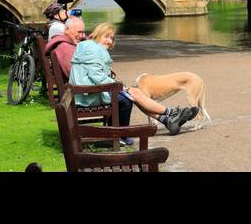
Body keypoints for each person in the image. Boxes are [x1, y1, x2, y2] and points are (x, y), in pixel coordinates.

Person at [69, 23, 197, 140]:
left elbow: (95, 75)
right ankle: (169, 115)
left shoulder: (90, 47)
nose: (109, 41)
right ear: (97, 35)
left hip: (88, 92)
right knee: (130, 96)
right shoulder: (93, 49)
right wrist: (119, 86)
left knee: (132, 93)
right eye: (106, 37)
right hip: (88, 95)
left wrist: (117, 84)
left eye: (111, 38)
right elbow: (97, 77)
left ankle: (168, 119)